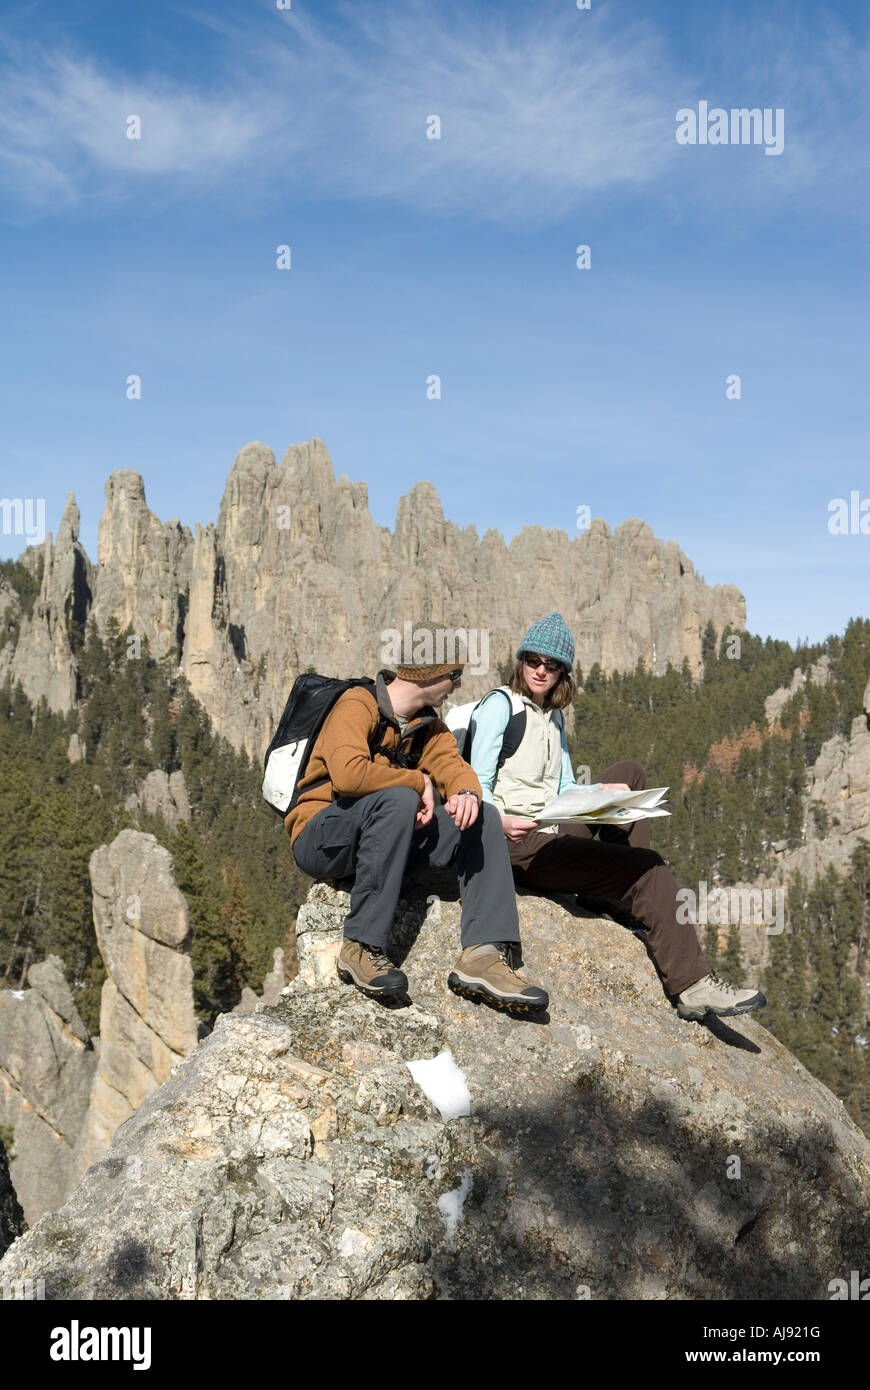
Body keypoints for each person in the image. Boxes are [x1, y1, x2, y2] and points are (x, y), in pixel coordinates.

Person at [466, 612, 766, 1022]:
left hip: (551, 825)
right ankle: (692, 985)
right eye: (533, 659)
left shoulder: (553, 717)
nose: (540, 670)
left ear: (563, 673)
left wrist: (598, 794)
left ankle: (609, 896)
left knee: (629, 772)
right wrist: (500, 822)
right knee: (649, 868)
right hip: (518, 843)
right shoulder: (500, 707)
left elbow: (563, 787)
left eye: (551, 664)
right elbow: (474, 783)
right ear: (520, 661)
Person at [285, 653, 549, 1015]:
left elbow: (455, 768)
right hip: (323, 838)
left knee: (483, 816)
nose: (458, 684)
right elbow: (348, 775)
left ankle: (483, 956)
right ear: (428, 675)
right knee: (397, 798)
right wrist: (416, 780)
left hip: (385, 841)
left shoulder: (429, 728)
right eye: (453, 675)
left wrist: (465, 793)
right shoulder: (357, 704)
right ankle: (360, 946)